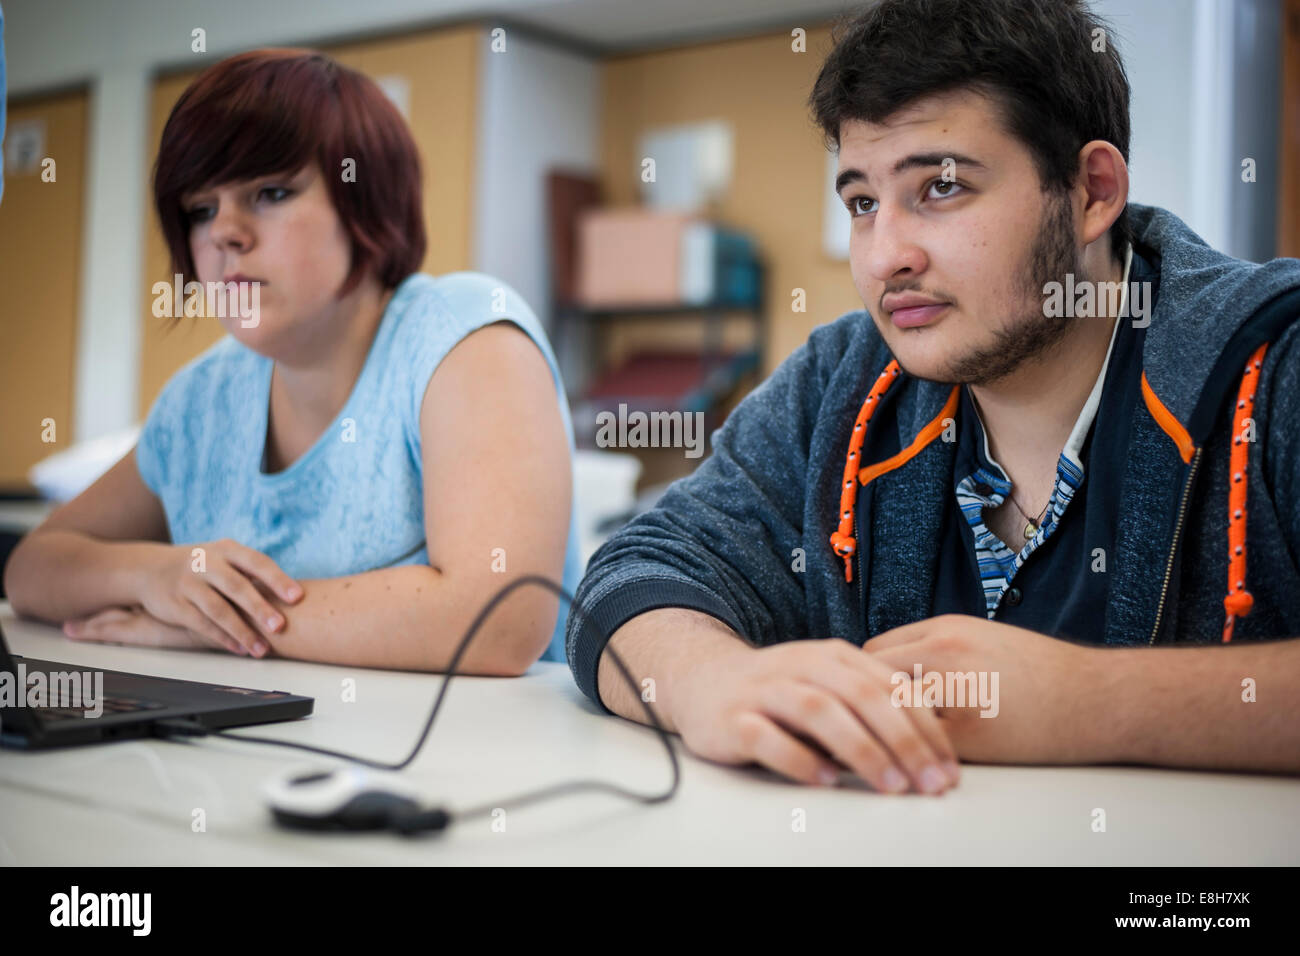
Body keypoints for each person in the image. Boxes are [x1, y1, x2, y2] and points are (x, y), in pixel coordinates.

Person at [565, 0, 1300, 793]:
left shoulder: (1276, 363)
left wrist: (1088, 701)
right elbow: (632, 576)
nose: (886, 257)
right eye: (861, 204)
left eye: (941, 188)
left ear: (1092, 192)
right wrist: (710, 683)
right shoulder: (843, 383)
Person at [4, 49, 582, 675]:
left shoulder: (465, 335)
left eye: (270, 193)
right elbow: (32, 569)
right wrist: (158, 575)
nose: (225, 233)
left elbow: (500, 619)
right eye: (201, 210)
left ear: (369, 205)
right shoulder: (202, 397)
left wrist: (218, 623)